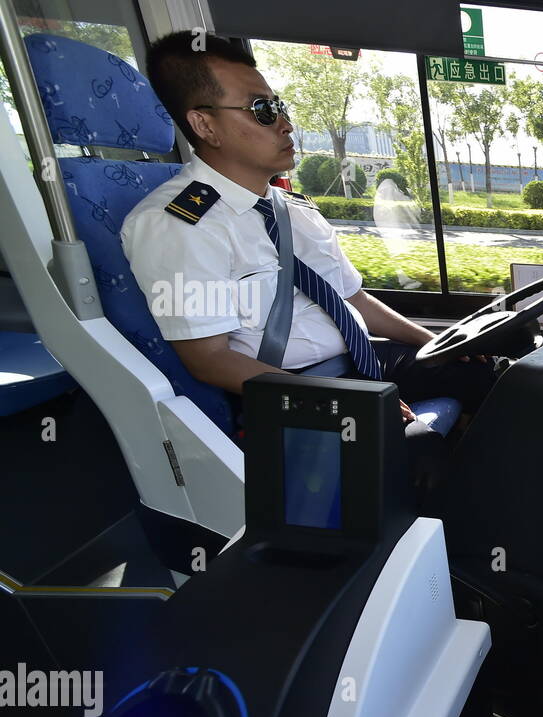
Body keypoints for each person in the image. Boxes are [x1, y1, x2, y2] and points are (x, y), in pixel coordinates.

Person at [121, 32, 494, 447]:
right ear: (205, 124)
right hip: (294, 388)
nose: (286, 124)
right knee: (417, 447)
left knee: (493, 374)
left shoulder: (292, 208)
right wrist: (347, 402)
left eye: (278, 106)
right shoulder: (178, 226)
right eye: (261, 110)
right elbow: (210, 361)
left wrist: (437, 342)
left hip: (362, 357)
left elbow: (355, 301)